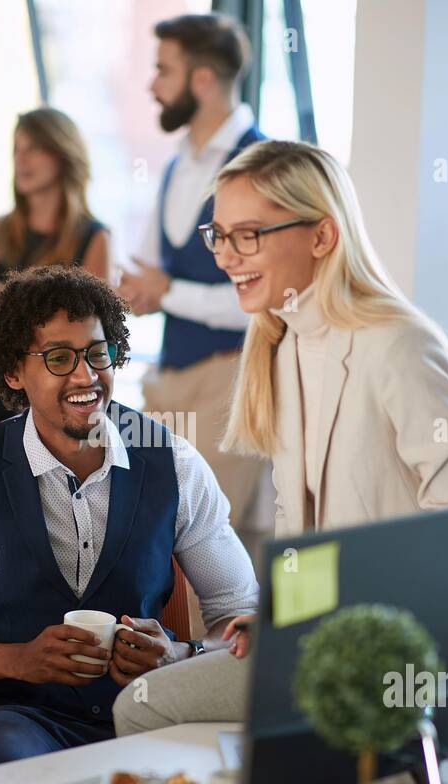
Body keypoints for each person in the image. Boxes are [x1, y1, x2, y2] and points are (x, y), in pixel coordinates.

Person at [113, 140, 448, 735]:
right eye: (221, 235)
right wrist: (279, 618)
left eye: (250, 235)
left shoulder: (397, 345)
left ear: (322, 236)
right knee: (141, 703)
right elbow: (300, 530)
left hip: (395, 657)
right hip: (317, 642)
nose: (227, 257)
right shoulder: (282, 347)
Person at [0, 266, 258, 771]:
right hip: (23, 720)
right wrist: (17, 661)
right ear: (15, 372)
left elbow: (242, 618)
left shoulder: (174, 463)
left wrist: (180, 654)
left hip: (152, 710)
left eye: (97, 354)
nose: (85, 376)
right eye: (59, 358)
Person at [118, 13, 267, 546]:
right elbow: (153, 268)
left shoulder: (259, 165)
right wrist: (133, 292)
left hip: (230, 381)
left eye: (163, 71)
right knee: (159, 540)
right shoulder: (178, 164)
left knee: (209, 546)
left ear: (202, 79)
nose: (152, 86)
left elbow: (261, 297)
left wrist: (167, 292)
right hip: (170, 380)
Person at [0, 108, 110, 435]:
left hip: (53, 398)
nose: (22, 160)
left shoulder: (95, 238)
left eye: (34, 148)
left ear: (63, 153)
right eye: (17, 150)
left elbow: (91, 339)